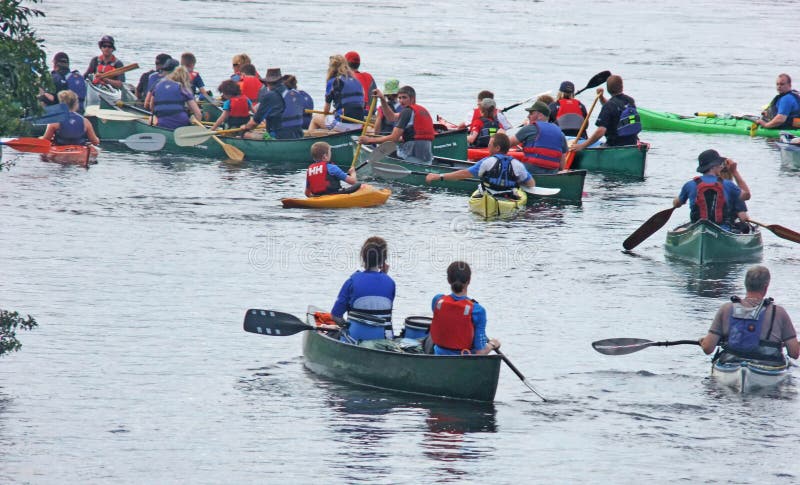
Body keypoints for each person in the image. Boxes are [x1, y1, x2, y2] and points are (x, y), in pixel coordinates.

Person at [699, 265, 799, 364]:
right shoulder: (779, 312)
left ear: (745, 284)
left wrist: (702, 342)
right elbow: (794, 353)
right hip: (767, 370)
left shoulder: (726, 309)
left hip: (731, 366)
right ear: (766, 287)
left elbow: (708, 348)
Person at [429, 261, 500, 356]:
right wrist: (492, 344)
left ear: (448, 280)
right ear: (469, 281)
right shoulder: (478, 310)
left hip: (439, 358)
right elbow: (480, 352)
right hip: (464, 361)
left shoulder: (437, 300)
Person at [332, 236, 395, 342]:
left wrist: (346, 326)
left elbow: (336, 316)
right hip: (383, 341)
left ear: (363, 257)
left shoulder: (351, 281)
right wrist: (384, 275)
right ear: (383, 260)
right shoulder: (391, 283)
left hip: (354, 339)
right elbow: (378, 308)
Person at [425, 133, 535, 192]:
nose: (488, 146)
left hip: (489, 196)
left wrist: (439, 176)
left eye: (490, 144)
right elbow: (531, 184)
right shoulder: (518, 165)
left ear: (497, 148)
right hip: (509, 197)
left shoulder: (486, 162)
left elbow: (463, 174)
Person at [672, 149, 750, 231]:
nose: (721, 166)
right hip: (722, 229)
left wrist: (677, 200)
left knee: (679, 230)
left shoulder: (689, 185)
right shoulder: (728, 184)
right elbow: (747, 195)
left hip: (696, 229)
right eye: (719, 164)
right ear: (714, 166)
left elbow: (677, 204)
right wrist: (734, 172)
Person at [359, 85, 435, 163]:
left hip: (411, 153)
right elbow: (391, 117)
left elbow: (394, 138)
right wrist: (382, 99)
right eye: (400, 98)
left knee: (386, 151)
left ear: (412, 98)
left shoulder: (407, 111)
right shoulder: (419, 110)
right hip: (426, 155)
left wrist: (370, 140)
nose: (401, 101)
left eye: (404, 97)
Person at [571, 74, 640, 151]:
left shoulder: (608, 106)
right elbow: (616, 107)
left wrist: (582, 146)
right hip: (633, 143)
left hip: (614, 145)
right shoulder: (630, 100)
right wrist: (601, 98)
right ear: (622, 87)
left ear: (608, 89)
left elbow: (600, 131)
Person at [307, 55, 364, 132]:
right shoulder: (356, 81)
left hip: (343, 123)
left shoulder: (333, 81)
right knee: (332, 119)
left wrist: (334, 113)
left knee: (315, 119)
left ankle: (310, 142)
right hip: (359, 124)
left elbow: (326, 110)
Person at [508, 101, 568, 174]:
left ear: (540, 115)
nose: (528, 116)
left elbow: (506, 144)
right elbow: (562, 164)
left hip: (531, 172)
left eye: (531, 113)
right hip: (552, 173)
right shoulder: (560, 133)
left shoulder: (530, 128)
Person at [244, 67, 304, 140]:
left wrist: (245, 127)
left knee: (245, 134)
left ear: (267, 83)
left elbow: (254, 123)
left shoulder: (270, 96)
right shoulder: (292, 93)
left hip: (278, 137)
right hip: (298, 135)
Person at [345, 51, 376, 115]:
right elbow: (374, 99)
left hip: (353, 115)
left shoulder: (346, 78)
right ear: (358, 64)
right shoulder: (369, 76)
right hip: (369, 114)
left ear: (345, 64)